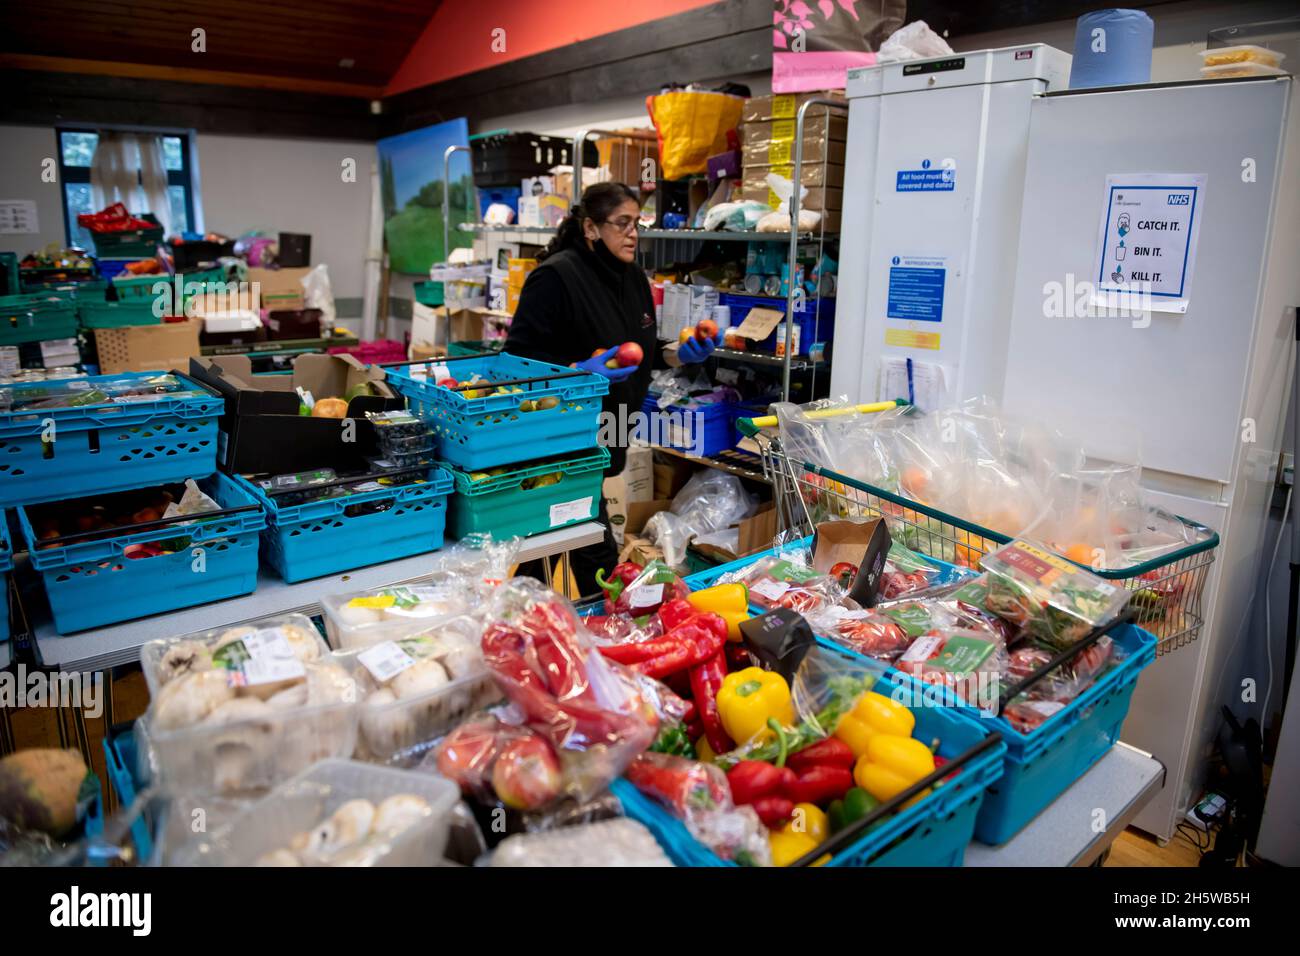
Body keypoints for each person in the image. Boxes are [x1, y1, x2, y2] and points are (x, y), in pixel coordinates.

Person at [505, 181, 722, 597]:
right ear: (590, 228)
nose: (633, 233)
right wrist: (577, 373)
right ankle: (576, 635)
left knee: (544, 559)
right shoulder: (555, 278)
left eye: (637, 223)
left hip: (607, 440)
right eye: (622, 223)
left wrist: (682, 354)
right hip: (558, 448)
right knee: (595, 567)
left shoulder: (634, 280)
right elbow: (515, 365)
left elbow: (644, 353)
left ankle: (524, 624)